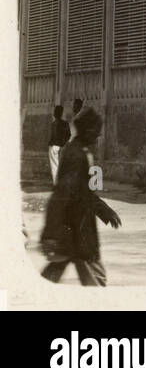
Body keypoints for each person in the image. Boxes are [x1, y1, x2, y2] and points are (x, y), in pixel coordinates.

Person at [40, 106, 121, 286]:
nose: (98, 136)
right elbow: (64, 194)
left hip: (74, 229)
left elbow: (90, 189)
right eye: (96, 131)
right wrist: (51, 233)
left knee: (56, 272)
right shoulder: (76, 154)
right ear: (87, 130)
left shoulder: (80, 151)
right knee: (95, 280)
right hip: (77, 229)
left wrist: (103, 211)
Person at [47, 106, 70, 184]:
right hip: (62, 147)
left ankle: (56, 184)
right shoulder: (65, 124)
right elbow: (68, 135)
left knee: (54, 166)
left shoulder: (53, 124)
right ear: (62, 113)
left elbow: (52, 136)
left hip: (54, 146)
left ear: (55, 114)